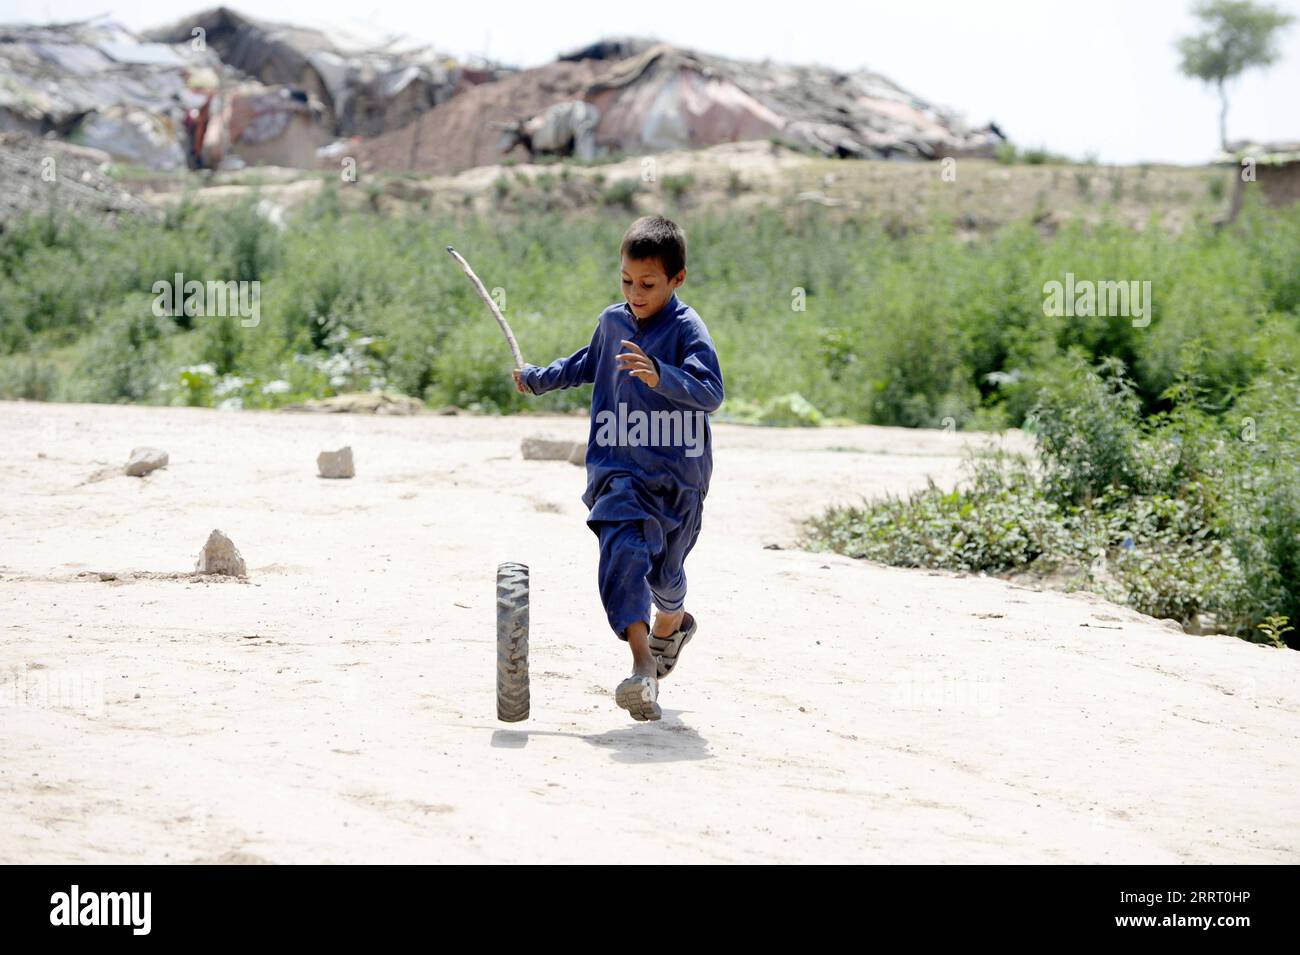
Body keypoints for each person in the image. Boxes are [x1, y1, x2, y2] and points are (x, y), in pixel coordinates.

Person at [513, 214, 724, 721]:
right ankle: (642, 664)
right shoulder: (613, 322)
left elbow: (711, 392)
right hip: (618, 470)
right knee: (623, 548)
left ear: (677, 279)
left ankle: (672, 622)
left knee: (666, 578)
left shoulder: (686, 329)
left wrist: (660, 376)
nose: (636, 292)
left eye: (648, 284)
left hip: (677, 478)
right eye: (627, 281)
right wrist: (539, 379)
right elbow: (589, 361)